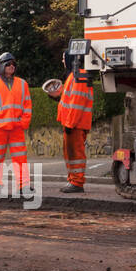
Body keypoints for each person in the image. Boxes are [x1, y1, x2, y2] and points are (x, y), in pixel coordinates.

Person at [0, 52, 32, 193]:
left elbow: (27, 106)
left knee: (20, 157)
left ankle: (24, 186)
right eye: (8, 64)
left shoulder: (23, 84)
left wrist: (23, 123)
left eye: (13, 64)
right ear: (1, 66)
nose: (12, 66)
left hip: (16, 128)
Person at [45, 53, 93, 193]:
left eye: (64, 57)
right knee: (71, 154)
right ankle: (73, 181)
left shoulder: (79, 75)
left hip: (75, 125)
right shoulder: (75, 76)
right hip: (73, 123)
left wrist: (70, 124)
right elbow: (71, 100)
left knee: (75, 154)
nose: (62, 60)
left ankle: (77, 183)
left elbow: (77, 103)